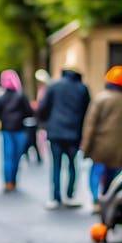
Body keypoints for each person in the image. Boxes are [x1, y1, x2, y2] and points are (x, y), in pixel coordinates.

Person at [37, 68, 90, 209]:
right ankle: (70, 195)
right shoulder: (82, 88)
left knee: (56, 165)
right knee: (73, 165)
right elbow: (87, 111)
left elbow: (42, 108)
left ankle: (55, 197)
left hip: (55, 132)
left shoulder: (54, 86)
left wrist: (46, 121)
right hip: (74, 133)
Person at [82, 65, 122, 206]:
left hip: (100, 147)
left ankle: (96, 200)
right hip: (119, 150)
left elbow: (90, 126)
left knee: (95, 174)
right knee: (114, 178)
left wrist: (85, 148)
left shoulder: (100, 99)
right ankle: (109, 201)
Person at [0, 70, 33, 192]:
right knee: (17, 156)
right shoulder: (21, 96)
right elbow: (29, 112)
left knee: (8, 156)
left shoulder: (1, 97)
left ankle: (8, 182)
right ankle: (14, 180)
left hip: (6, 130)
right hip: (20, 129)